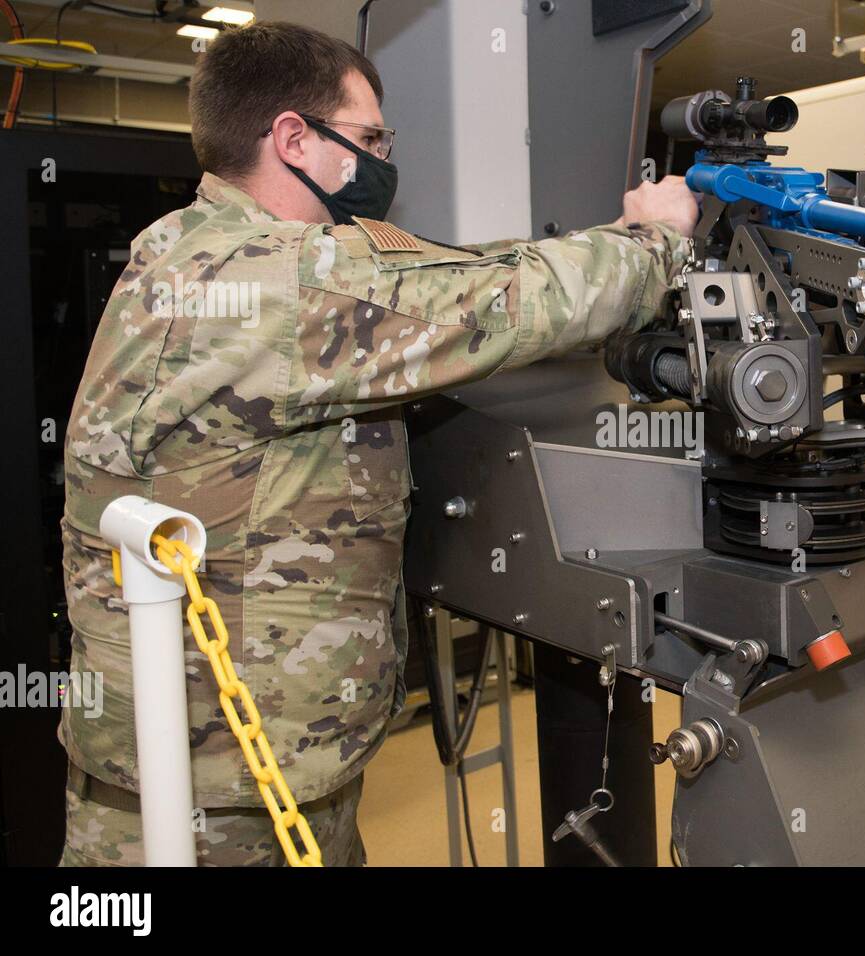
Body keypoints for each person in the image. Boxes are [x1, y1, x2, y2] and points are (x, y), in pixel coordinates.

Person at [59, 20, 697, 866]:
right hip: (220, 788)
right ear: (292, 137)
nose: (380, 161)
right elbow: (499, 302)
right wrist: (656, 239)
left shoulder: (185, 246)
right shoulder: (279, 280)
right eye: (365, 139)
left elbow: (444, 274)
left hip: (229, 750)